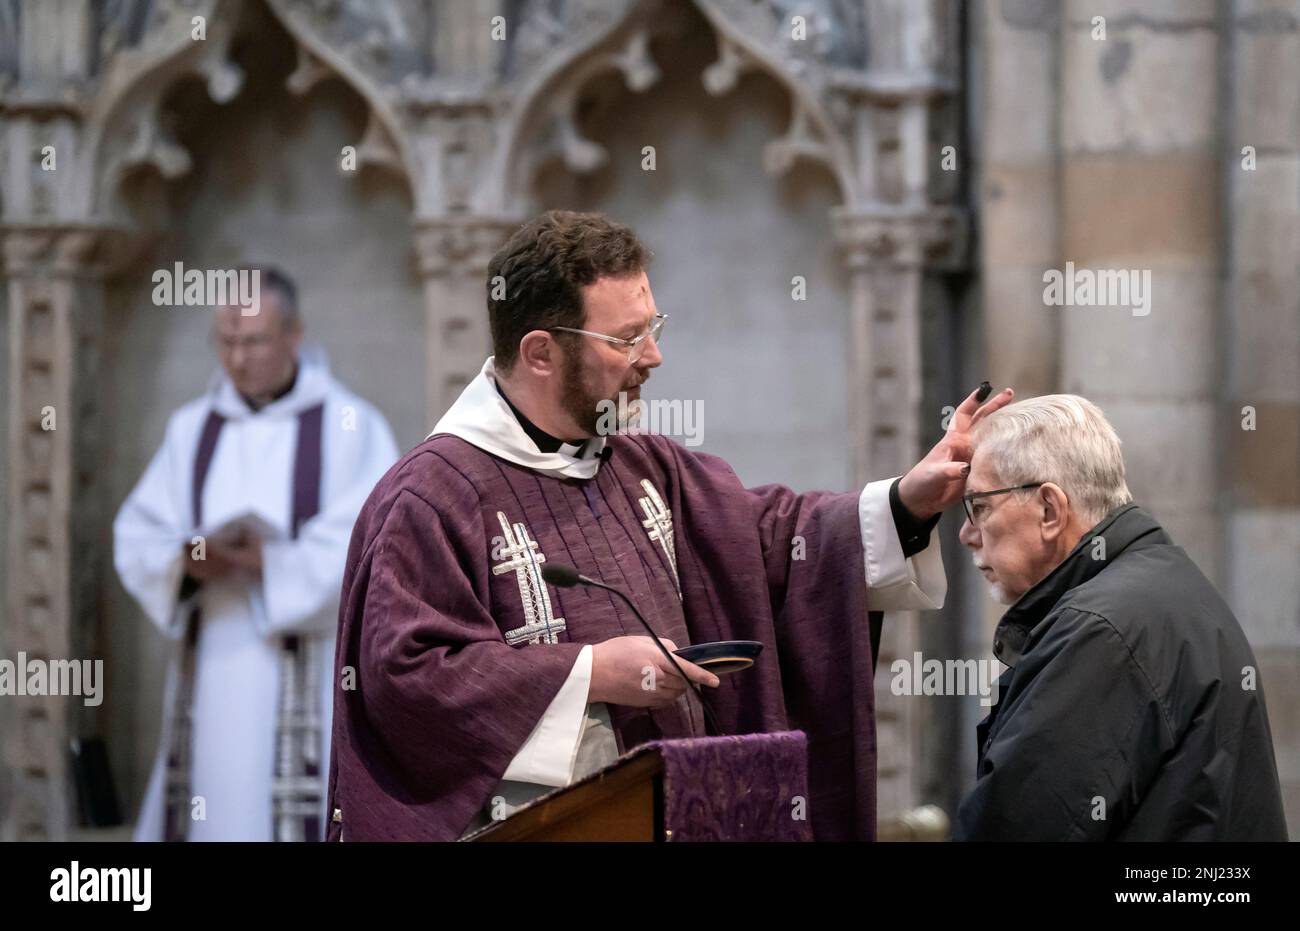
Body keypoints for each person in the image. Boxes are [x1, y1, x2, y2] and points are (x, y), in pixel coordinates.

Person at [326, 210, 1012, 841]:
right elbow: (402, 680)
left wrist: (909, 500)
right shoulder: (430, 497)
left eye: (654, 327)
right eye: (627, 339)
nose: (653, 357)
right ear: (540, 352)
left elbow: (772, 541)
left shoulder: (645, 463)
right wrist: (590, 672)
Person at [114, 267, 399, 841]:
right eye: (225, 340)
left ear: (294, 335)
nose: (236, 358)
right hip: (212, 659)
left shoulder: (351, 426)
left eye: (253, 341)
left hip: (308, 670)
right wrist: (187, 559)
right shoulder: (191, 429)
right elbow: (138, 534)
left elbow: (378, 545)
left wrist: (270, 563)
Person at [954, 394, 1287, 840]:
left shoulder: (1100, 630)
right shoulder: (1157, 590)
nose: (966, 534)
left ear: (1049, 511)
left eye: (978, 506)